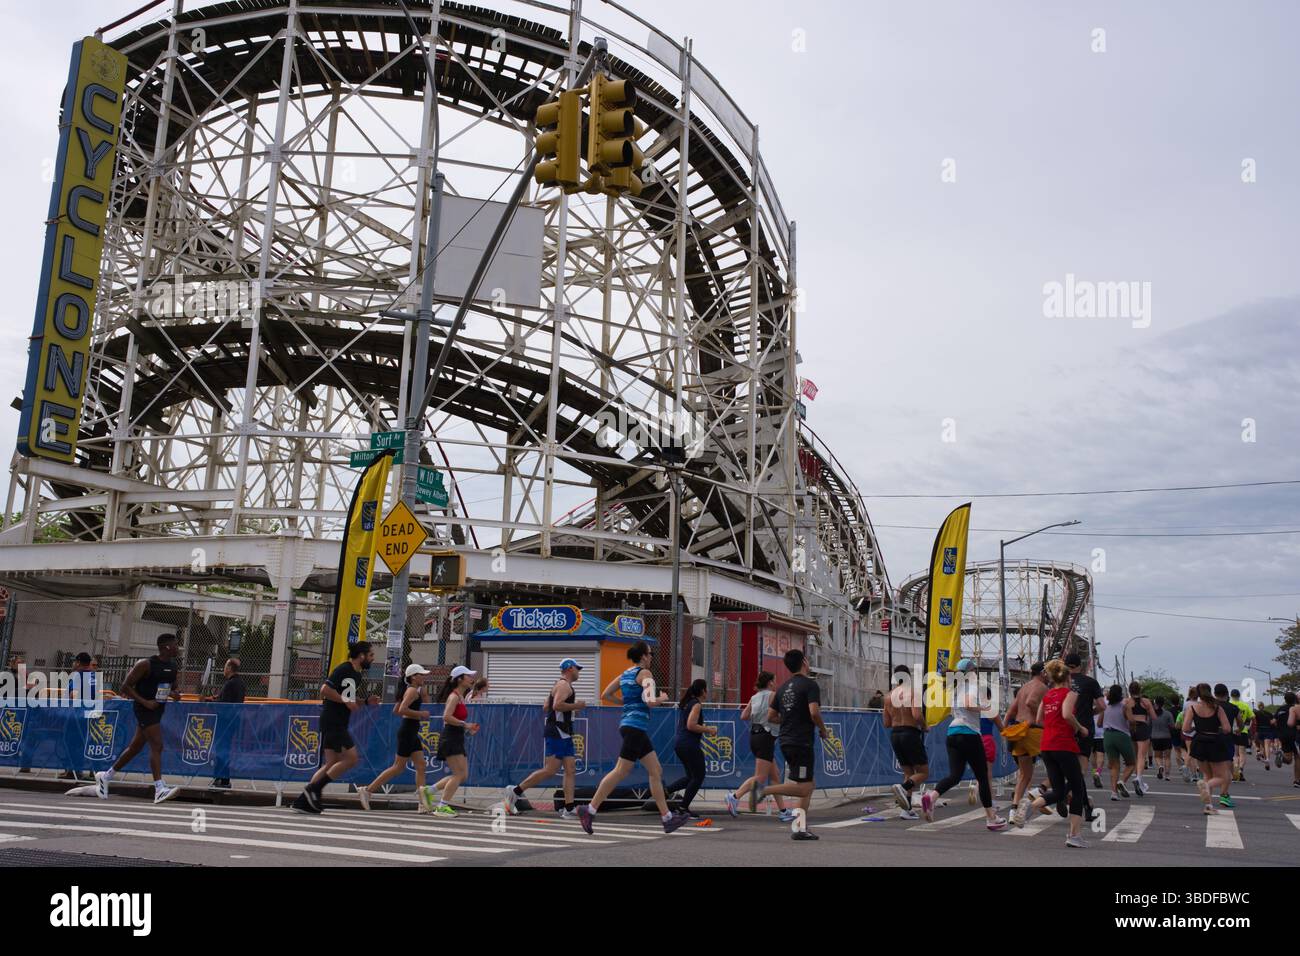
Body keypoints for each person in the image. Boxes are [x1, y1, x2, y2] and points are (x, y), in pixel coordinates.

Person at [578, 641, 688, 835]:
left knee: (655, 770)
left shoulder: (625, 674)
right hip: (636, 728)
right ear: (644, 656)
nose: (652, 657)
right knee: (621, 771)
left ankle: (667, 818)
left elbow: (606, 694)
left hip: (630, 726)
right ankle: (590, 809)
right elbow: (650, 701)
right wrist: (662, 698)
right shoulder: (645, 674)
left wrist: (625, 702)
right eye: (650, 653)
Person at [94, 633, 182, 804]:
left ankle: (106, 776)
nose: (178, 648)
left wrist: (174, 695)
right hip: (143, 708)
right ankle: (159, 788)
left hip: (158, 709)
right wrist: (145, 702)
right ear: (167, 647)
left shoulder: (172, 667)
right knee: (157, 744)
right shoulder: (145, 664)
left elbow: (169, 688)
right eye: (176, 644)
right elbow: (125, 687)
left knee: (135, 747)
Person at [919, 659, 1007, 831]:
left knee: (955, 776)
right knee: (982, 777)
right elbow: (969, 704)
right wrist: (984, 707)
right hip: (969, 734)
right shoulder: (974, 687)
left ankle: (932, 796)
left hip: (952, 733)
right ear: (972, 671)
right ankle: (991, 818)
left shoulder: (956, 689)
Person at [753, 648, 829, 841]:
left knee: (808, 783)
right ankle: (764, 790)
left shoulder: (783, 687)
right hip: (801, 742)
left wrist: (788, 720)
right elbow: (814, 712)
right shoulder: (810, 685)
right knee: (804, 788)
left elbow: (771, 716)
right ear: (804, 661)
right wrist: (823, 729)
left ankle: (799, 828)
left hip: (786, 740)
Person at [293, 640, 375, 815]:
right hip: (333, 721)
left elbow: (348, 699)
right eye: (371, 655)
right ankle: (313, 791)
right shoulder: (344, 669)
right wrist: (346, 701)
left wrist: (365, 702)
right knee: (351, 758)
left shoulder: (356, 675)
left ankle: (305, 799)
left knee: (331, 763)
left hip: (338, 721)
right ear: (361, 656)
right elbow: (325, 690)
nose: (372, 659)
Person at [1016, 659, 1088, 848]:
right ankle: (1074, 835)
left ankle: (1030, 807)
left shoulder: (1047, 696)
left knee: (1057, 790)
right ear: (1067, 677)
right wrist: (1080, 728)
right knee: (1077, 788)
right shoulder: (1069, 693)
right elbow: (1066, 714)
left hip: (1047, 745)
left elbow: (1039, 719)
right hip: (1064, 744)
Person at [504, 659, 587, 818]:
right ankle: (514, 791)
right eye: (577, 668)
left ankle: (569, 808)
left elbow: (546, 707)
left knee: (570, 769)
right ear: (569, 668)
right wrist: (576, 706)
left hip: (564, 732)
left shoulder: (558, 685)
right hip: (558, 731)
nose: (579, 672)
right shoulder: (563, 685)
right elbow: (556, 706)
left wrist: (569, 711)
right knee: (550, 770)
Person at [356, 663, 435, 813]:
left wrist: (422, 698)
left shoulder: (411, 690)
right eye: (421, 675)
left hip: (411, 731)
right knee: (398, 767)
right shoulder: (411, 691)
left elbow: (396, 709)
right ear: (413, 677)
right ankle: (367, 790)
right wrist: (420, 714)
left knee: (421, 765)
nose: (424, 677)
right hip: (407, 731)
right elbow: (401, 710)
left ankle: (422, 803)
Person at [725, 672, 791, 821]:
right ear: (770, 683)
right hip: (765, 737)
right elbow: (773, 716)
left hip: (754, 736)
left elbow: (743, 716)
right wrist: (784, 720)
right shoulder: (772, 695)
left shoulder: (754, 697)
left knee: (774, 775)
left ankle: (783, 811)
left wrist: (758, 715)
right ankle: (734, 796)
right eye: (774, 680)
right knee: (760, 777)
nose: (775, 683)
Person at [431, 665, 480, 816]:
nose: (472, 679)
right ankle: (441, 806)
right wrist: (465, 725)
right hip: (450, 737)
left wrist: (467, 728)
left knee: (462, 775)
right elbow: (446, 717)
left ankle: (428, 791)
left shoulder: (460, 697)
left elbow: (455, 719)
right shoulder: (453, 696)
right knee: (458, 774)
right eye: (468, 676)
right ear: (459, 679)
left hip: (456, 736)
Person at [882, 664, 929, 820]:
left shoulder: (888, 696)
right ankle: (902, 788)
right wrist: (924, 726)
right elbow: (917, 715)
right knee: (923, 772)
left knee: (908, 773)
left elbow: (886, 723)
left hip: (895, 734)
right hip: (910, 733)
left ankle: (906, 809)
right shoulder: (912, 693)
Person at [1003, 662, 1047, 826]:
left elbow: (1010, 712)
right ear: (1043, 673)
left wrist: (1005, 730)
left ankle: (1013, 811)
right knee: (1058, 766)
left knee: (1024, 775)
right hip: (1033, 731)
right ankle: (1037, 794)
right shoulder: (1041, 686)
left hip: (1018, 732)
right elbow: (1031, 702)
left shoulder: (1023, 688)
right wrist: (1042, 718)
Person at [665, 679, 717, 817]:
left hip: (680, 743)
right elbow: (691, 725)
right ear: (702, 691)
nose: (707, 692)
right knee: (699, 776)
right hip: (689, 744)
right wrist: (709, 730)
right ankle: (683, 807)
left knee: (691, 776)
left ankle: (665, 791)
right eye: (706, 689)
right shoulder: (696, 704)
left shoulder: (688, 702)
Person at [1183, 682, 1233, 814]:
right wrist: (1217, 728)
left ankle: (1208, 806)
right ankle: (1207, 786)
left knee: (1207, 774)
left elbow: (1185, 729)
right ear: (1210, 691)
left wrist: (1197, 728)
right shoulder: (1217, 708)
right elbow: (1227, 729)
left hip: (1199, 742)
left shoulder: (1192, 708)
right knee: (1224, 776)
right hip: (1215, 742)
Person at [1065, 653, 1105, 817]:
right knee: (1080, 771)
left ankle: (1086, 806)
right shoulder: (1090, 682)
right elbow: (1102, 705)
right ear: (1080, 665)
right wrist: (1091, 712)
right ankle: (1061, 794)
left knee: (1068, 769)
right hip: (1084, 728)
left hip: (1065, 728)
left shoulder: (1059, 683)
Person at [204, 657, 246, 789]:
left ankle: (221, 779)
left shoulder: (231, 683)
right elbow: (226, 699)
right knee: (224, 749)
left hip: (225, 721)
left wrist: (207, 702)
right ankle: (223, 779)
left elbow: (223, 705)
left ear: (229, 668)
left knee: (221, 749)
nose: (223, 669)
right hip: (232, 721)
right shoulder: (239, 682)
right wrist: (214, 698)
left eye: (225, 666)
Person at [61, 653, 99, 781]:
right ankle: (88, 771)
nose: (73, 664)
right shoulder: (94, 676)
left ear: (78, 662)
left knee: (71, 741)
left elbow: (73, 695)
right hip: (91, 713)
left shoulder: (78, 676)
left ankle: (74, 771)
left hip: (76, 714)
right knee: (86, 741)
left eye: (74, 662)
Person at [1101, 685, 1139, 800]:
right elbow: (1132, 720)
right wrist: (1132, 728)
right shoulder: (1124, 706)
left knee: (1114, 766)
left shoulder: (1106, 707)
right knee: (1131, 763)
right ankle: (1122, 781)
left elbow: (1098, 723)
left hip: (1107, 736)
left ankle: (1113, 793)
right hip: (1122, 735)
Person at [1127, 681, 1156, 795]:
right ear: (1140, 690)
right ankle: (1139, 778)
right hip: (1143, 727)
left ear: (1130, 690)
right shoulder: (1146, 702)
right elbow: (1154, 717)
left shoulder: (1127, 701)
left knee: (1135, 756)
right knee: (1141, 756)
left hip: (1131, 728)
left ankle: (1139, 780)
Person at [1149, 696, 1177, 781]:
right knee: (1167, 757)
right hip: (1167, 737)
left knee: (1157, 756)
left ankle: (1160, 766)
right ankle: (1167, 775)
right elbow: (1172, 726)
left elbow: (1148, 724)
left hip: (1155, 737)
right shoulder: (1168, 714)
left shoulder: (1151, 714)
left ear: (1155, 703)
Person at [1228, 688, 1254, 782]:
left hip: (1233, 731)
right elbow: (1252, 717)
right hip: (1243, 731)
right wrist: (1248, 726)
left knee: (1235, 754)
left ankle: (1235, 767)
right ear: (1239, 696)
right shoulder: (1245, 705)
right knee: (1242, 753)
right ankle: (1241, 769)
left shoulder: (1230, 705)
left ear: (1231, 696)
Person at [1282, 693, 1300, 788]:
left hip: (1295, 736)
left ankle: (1297, 781)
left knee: (1297, 757)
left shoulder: (1293, 709)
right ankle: (1297, 780)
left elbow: (1290, 723)